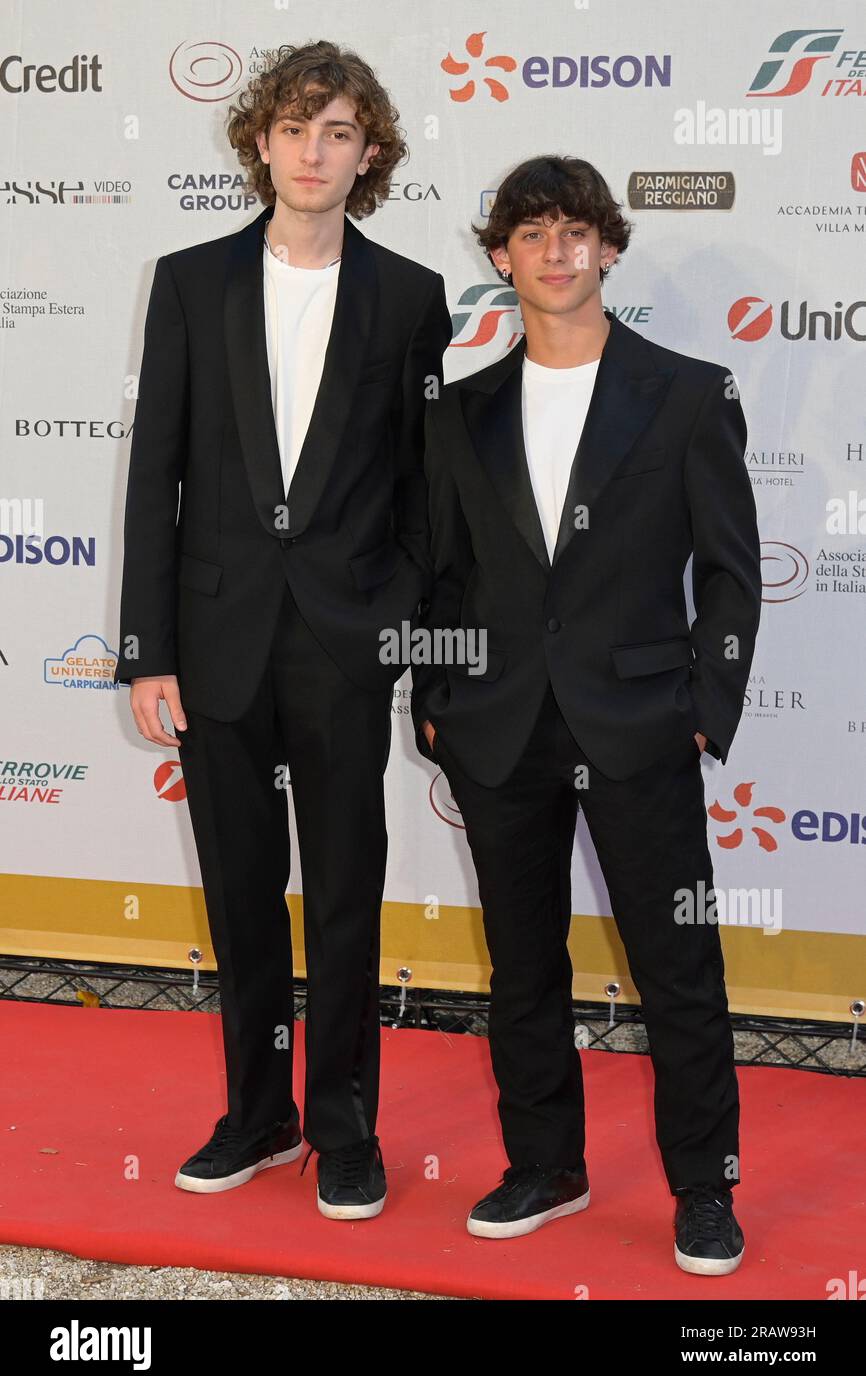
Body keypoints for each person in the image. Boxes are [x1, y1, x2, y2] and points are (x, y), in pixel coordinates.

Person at [115, 41, 451, 1221]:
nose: (316, 151)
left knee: (348, 887)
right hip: (213, 639)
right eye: (298, 127)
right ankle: (255, 1116)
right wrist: (145, 649)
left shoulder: (408, 295)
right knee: (242, 888)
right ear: (260, 140)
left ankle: (343, 1127)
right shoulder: (190, 280)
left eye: (341, 132)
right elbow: (154, 469)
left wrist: (394, 613)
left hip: (343, 641)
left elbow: (424, 487)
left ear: (370, 155)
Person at [411, 155, 761, 1274]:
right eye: (530, 233)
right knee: (522, 965)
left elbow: (731, 569)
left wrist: (707, 705)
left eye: (574, 232)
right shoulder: (458, 413)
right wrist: (434, 699)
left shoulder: (686, 390)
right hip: (498, 726)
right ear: (500, 256)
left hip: (642, 722)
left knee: (676, 966)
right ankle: (544, 1166)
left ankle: (703, 1187)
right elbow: (439, 575)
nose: (554, 252)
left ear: (607, 247)